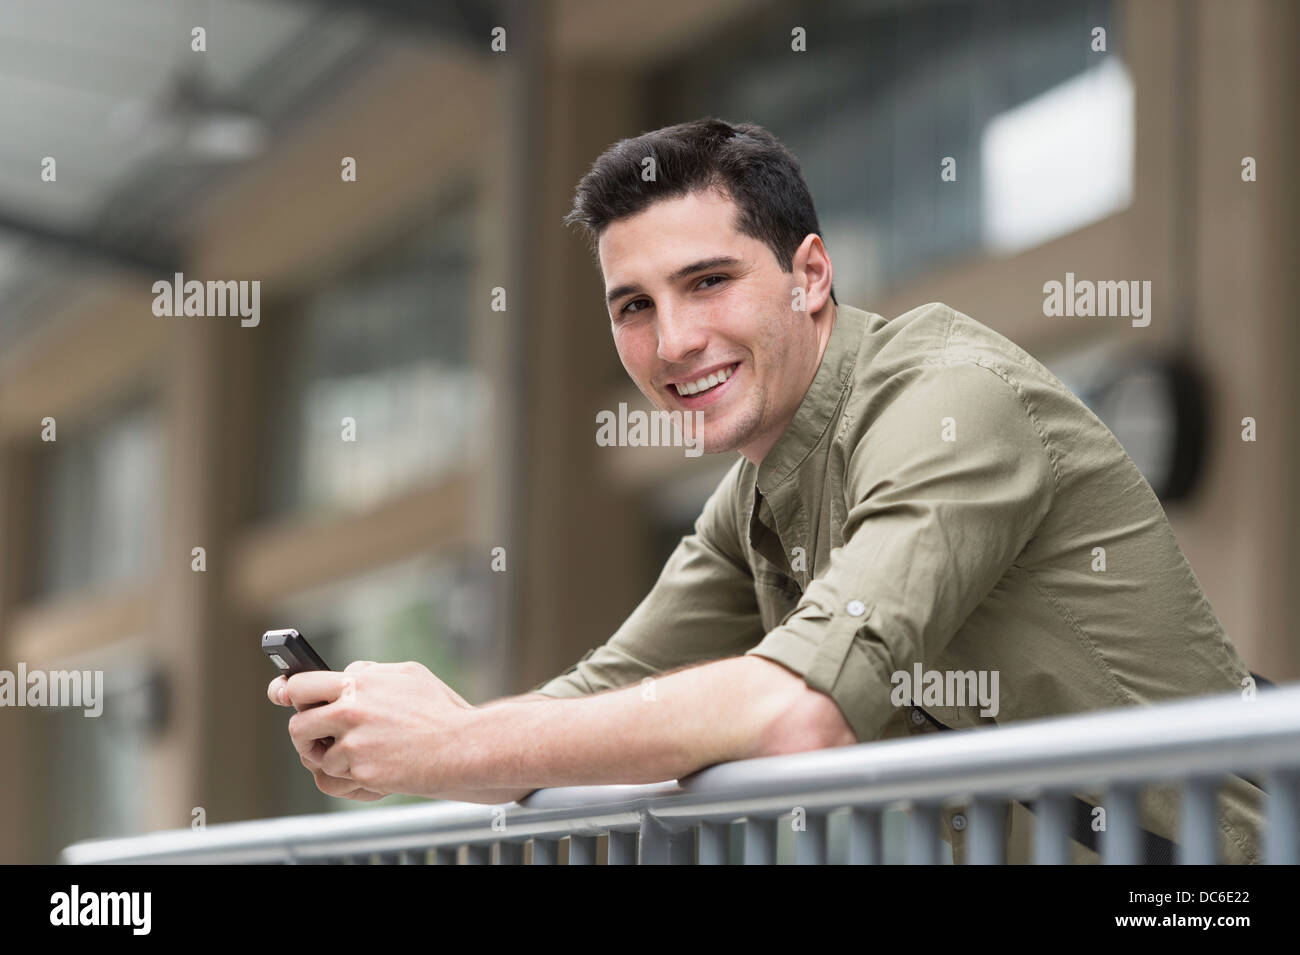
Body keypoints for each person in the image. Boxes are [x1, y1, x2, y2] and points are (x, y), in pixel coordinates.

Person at [269, 117, 1263, 863]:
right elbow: (600, 698)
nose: (672, 341)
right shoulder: (755, 500)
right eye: (633, 306)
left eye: (708, 282)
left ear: (811, 274)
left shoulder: (953, 400)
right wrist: (403, 734)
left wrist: (454, 745)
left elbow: (798, 710)